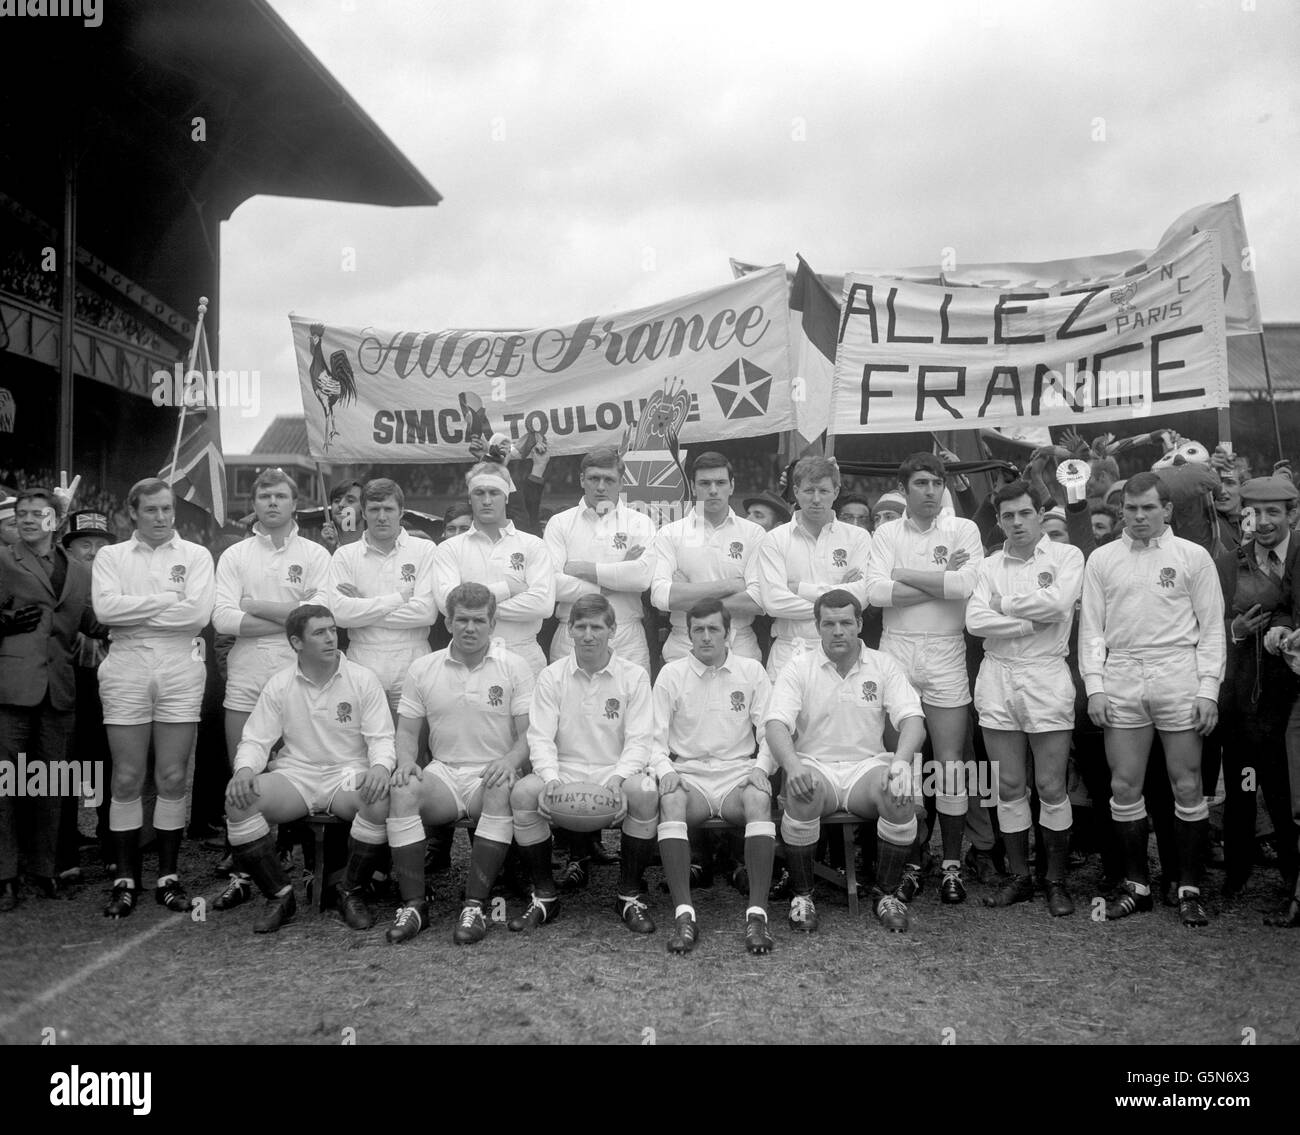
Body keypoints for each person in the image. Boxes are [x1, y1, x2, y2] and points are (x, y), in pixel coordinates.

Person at [1080, 472, 1226, 927]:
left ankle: (1187, 887)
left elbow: (1213, 629)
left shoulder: (1193, 556)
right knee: (1124, 786)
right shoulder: (1102, 559)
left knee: (1186, 785)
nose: (1138, 516)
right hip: (1122, 674)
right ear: (1121, 509)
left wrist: (1208, 690)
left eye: (1148, 508)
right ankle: (1136, 885)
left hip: (1178, 672)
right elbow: (1091, 629)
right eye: (1130, 508)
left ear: (1167, 509)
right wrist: (1095, 686)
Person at [764, 589, 927, 932]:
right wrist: (792, 767)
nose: (838, 631)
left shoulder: (883, 664)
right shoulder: (798, 667)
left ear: (859, 624)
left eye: (845, 622)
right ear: (817, 626)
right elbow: (776, 724)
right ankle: (803, 896)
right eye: (829, 623)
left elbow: (913, 719)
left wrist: (899, 765)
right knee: (800, 789)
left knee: (899, 794)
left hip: (865, 769)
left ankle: (885, 894)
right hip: (817, 767)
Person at [224, 606, 392, 932]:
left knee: (379, 799)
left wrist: (381, 767)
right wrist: (244, 769)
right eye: (319, 633)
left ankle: (349, 890)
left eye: (332, 629)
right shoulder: (279, 683)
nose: (331, 638)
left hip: (346, 774)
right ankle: (280, 896)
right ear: (296, 642)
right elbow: (256, 740)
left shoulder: (362, 678)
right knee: (238, 801)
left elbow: (382, 738)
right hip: (296, 775)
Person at [91, 478, 215, 918]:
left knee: (172, 776)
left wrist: (136, 610)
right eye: (152, 510)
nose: (161, 517)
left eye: (167, 509)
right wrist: (166, 600)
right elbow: (105, 612)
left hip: (179, 666)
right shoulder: (111, 555)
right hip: (126, 665)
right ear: (132, 513)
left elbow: (198, 615)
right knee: (126, 778)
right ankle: (125, 878)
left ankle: (168, 876)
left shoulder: (196, 555)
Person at [385, 582, 534, 945]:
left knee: (501, 786)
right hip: (444, 771)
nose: (470, 628)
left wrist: (510, 760)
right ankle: (414, 905)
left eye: (479, 620)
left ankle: (475, 906)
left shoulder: (515, 666)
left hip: (490, 772)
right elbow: (406, 732)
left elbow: (529, 734)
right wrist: (405, 762)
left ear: (493, 623)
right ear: (448, 621)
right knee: (403, 788)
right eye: (462, 619)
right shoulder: (423, 668)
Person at [209, 468, 330, 910]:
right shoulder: (235, 555)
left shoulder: (315, 552)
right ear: (254, 504)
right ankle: (248, 874)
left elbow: (318, 613)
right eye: (264, 496)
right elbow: (222, 617)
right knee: (245, 772)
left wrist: (254, 605)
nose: (272, 503)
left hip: (301, 674)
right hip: (247, 674)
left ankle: (316, 870)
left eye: (281, 496)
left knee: (305, 766)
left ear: (295, 503)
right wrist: (289, 617)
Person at [865, 453, 983, 903]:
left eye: (937, 482)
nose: (930, 490)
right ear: (905, 488)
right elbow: (875, 593)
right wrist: (940, 577)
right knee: (905, 761)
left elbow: (964, 586)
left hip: (946, 647)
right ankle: (912, 862)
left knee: (950, 764)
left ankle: (951, 864)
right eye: (921, 483)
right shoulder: (886, 532)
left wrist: (905, 576)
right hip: (897, 648)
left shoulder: (963, 529)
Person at [966, 481, 1085, 916]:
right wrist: (1019, 621)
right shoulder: (988, 565)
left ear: (1039, 514)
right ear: (998, 520)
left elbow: (1058, 604)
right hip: (997, 674)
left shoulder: (1066, 556)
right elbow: (976, 620)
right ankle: (1020, 876)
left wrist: (1005, 603)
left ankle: (1054, 880)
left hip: (1046, 673)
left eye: (1025, 513)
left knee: (1051, 785)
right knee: (1010, 784)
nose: (1017, 522)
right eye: (1008, 516)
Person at [508, 595, 659, 933]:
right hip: (565, 769)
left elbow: (639, 740)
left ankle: (629, 896)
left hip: (614, 769)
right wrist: (549, 778)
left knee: (647, 792)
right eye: (581, 627)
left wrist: (620, 779)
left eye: (597, 627)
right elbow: (541, 737)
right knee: (522, 794)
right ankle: (545, 895)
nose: (589, 635)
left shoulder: (633, 676)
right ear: (570, 631)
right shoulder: (551, 676)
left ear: (612, 630)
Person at [651, 598, 775, 953]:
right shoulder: (671, 674)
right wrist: (665, 770)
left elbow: (769, 731)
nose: (706, 637)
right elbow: (652, 738)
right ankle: (684, 914)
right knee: (670, 799)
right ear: (688, 634)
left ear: (729, 633)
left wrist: (760, 769)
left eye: (713, 629)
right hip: (690, 775)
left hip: (737, 773)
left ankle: (757, 916)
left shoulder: (751, 671)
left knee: (758, 798)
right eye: (698, 630)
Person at [0, 488, 98, 909]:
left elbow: (93, 620)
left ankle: (43, 869)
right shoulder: (3, 560)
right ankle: (5, 875)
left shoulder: (78, 570)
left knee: (50, 785)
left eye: (36, 513)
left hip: (59, 689)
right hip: (12, 686)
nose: (26, 519)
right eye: (20, 513)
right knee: (6, 784)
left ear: (54, 521)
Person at [1214, 476, 1299, 900]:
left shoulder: (1299, 555)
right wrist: (1235, 629)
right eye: (1255, 513)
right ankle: (1237, 870)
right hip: (1246, 700)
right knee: (1244, 781)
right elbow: (1208, 624)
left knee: (1287, 790)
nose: (1263, 522)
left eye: (1273, 512)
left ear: (1291, 514)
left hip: (1291, 700)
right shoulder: (1231, 561)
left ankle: (1291, 876)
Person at [751, 455, 872, 679]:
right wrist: (840, 600)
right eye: (809, 490)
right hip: (789, 651)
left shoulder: (858, 537)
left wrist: (800, 589)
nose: (816, 499)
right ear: (796, 491)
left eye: (824, 491)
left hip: (841, 653)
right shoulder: (775, 539)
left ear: (836, 492)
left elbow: (862, 598)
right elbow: (773, 602)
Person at [328, 478, 438, 715]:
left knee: (411, 744)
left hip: (413, 656)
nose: (381, 516)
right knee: (367, 743)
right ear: (364, 513)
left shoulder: (425, 550)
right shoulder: (344, 555)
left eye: (388, 509)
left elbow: (426, 612)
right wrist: (398, 599)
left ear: (401, 512)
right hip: (363, 656)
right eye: (374, 509)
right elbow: (340, 615)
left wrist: (362, 605)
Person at [433, 462, 555, 676]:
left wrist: (471, 609)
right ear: (470, 499)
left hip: (524, 654)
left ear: (506, 496)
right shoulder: (449, 548)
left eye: (494, 493)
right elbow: (447, 604)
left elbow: (543, 604)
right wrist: (507, 588)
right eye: (479, 493)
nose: (487, 500)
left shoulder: (533, 545)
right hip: (468, 656)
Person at [544, 447, 656, 671]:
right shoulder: (560, 523)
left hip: (626, 634)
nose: (601, 486)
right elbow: (550, 584)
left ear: (621, 483)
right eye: (594, 478)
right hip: (571, 633)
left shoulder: (640, 522)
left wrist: (582, 568)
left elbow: (642, 578)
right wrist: (614, 577)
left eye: (609, 479)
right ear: (582, 479)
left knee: (632, 705)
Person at [650, 452, 765, 663]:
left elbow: (758, 601)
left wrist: (686, 595)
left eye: (720, 482)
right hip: (683, 648)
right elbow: (660, 597)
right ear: (693, 487)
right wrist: (729, 585)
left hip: (739, 648)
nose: (713, 490)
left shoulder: (754, 533)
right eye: (704, 483)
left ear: (732, 486)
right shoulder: (670, 533)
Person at [56, 511, 116, 884]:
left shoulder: (118, 581)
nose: (93, 552)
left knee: (109, 761)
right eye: (84, 545)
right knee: (64, 765)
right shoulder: (58, 578)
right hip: (67, 682)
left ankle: (112, 842)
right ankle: (64, 846)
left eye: (100, 545)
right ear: (68, 549)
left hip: (109, 684)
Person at [318, 479, 364, 553]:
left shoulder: (376, 547)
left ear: (365, 508)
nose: (341, 505)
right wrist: (332, 548)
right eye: (336, 501)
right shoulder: (315, 551)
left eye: (350, 501)